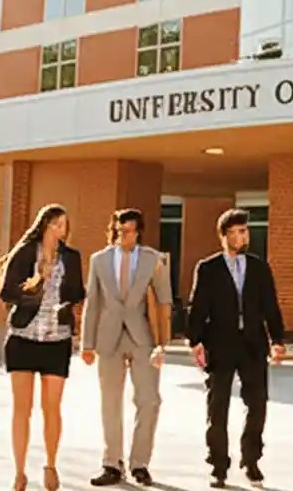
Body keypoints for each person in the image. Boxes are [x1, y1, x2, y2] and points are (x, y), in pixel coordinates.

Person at [187, 208, 287, 488]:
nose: (240, 236)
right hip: (220, 343)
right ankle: (218, 465)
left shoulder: (258, 267)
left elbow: (270, 305)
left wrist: (277, 340)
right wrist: (194, 341)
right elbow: (198, 308)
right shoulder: (208, 268)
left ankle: (251, 460)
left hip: (253, 344)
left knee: (258, 403)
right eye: (234, 232)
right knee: (217, 406)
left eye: (244, 231)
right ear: (223, 236)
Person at [0, 203, 85, 491]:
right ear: (44, 225)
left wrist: (68, 304)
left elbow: (78, 292)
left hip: (56, 340)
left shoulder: (71, 257)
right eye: (57, 224)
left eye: (65, 225)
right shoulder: (24, 252)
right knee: (22, 409)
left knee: (52, 408)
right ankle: (19, 472)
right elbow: (6, 292)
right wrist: (34, 285)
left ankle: (50, 465)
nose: (62, 230)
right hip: (23, 336)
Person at [80, 208, 173, 487]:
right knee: (110, 403)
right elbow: (92, 302)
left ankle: (140, 463)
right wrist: (87, 343)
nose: (124, 235)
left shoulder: (154, 260)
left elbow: (164, 302)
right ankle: (112, 463)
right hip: (108, 340)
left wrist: (162, 344)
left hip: (143, 338)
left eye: (129, 230)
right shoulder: (99, 260)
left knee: (149, 400)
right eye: (120, 230)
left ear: (138, 231)